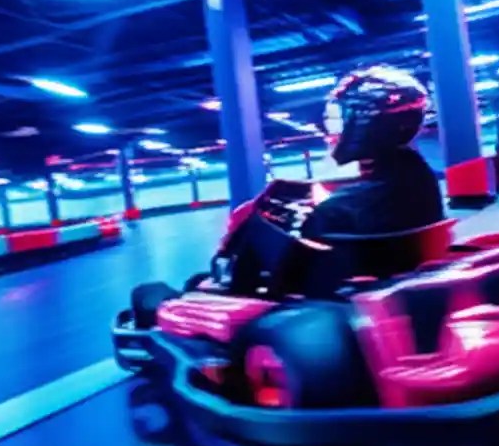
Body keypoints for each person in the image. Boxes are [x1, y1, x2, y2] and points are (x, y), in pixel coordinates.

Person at [130, 67, 443, 323]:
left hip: (332, 299)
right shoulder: (423, 182)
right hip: (397, 278)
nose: (332, 130)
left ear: (367, 123)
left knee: (154, 292)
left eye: (340, 119)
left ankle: (220, 285)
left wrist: (272, 235)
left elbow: (293, 277)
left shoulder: (337, 212)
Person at [299, 66, 444, 238]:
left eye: (336, 122)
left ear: (366, 124)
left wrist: (315, 213)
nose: (329, 136)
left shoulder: (333, 212)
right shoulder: (420, 176)